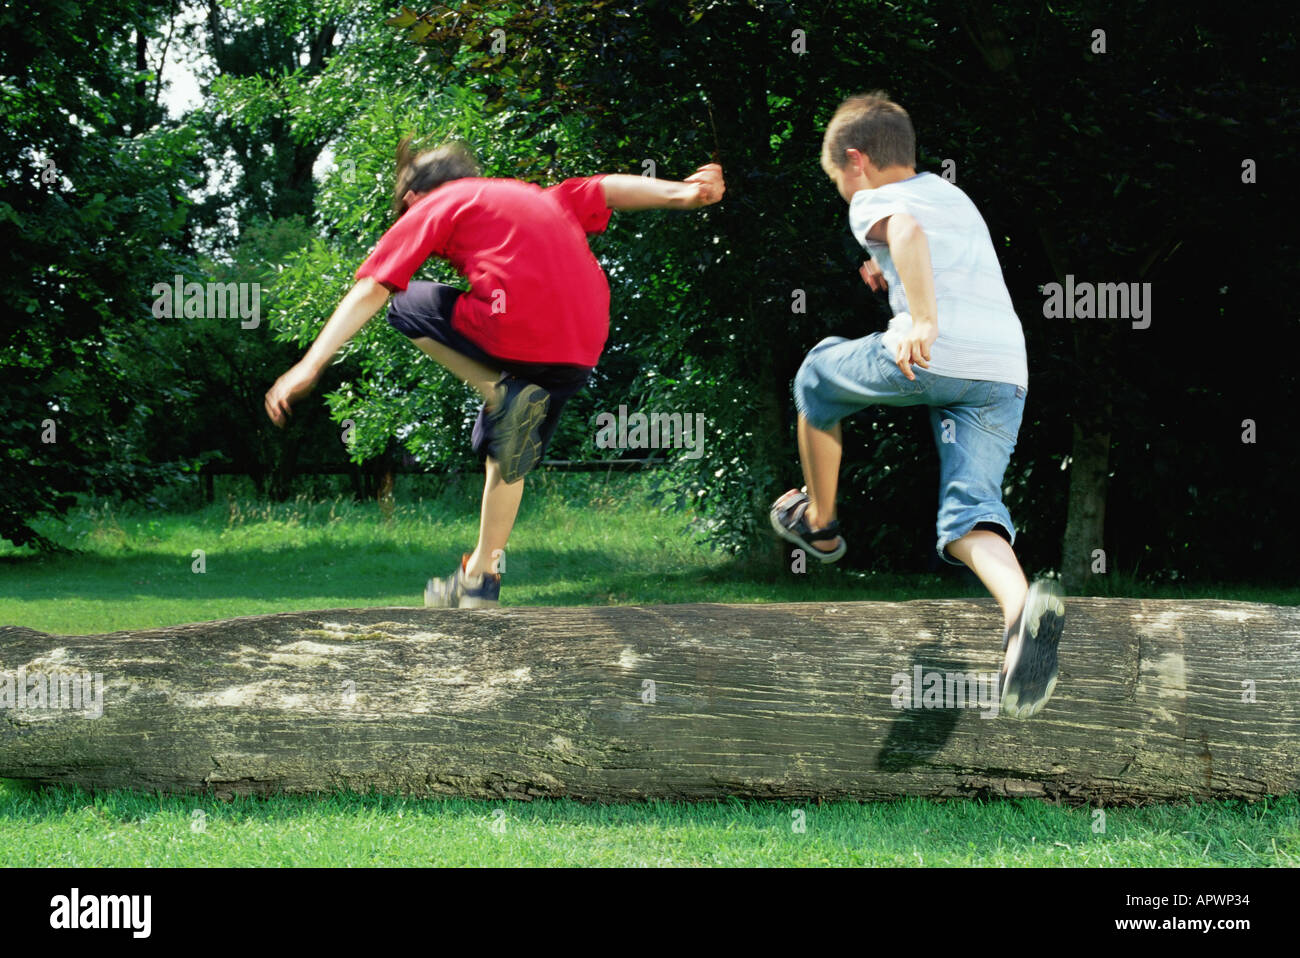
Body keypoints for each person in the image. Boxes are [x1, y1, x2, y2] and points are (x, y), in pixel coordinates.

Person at [265, 139, 725, 607]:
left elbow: (373, 286)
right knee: (510, 454)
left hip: (514, 329)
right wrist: (683, 194)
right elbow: (605, 188)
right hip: (580, 342)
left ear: (411, 200)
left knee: (405, 303)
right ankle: (482, 577)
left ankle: (498, 391)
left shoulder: (438, 203)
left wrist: (309, 365)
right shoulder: (538, 195)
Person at [770, 92, 1064, 718]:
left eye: (839, 184)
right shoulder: (951, 196)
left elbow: (903, 230)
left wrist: (920, 318)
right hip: (1003, 371)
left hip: (937, 353)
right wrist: (888, 272)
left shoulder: (877, 201)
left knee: (817, 375)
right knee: (969, 512)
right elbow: (927, 246)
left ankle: (820, 523)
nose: (845, 197)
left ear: (857, 162)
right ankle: (1021, 614)